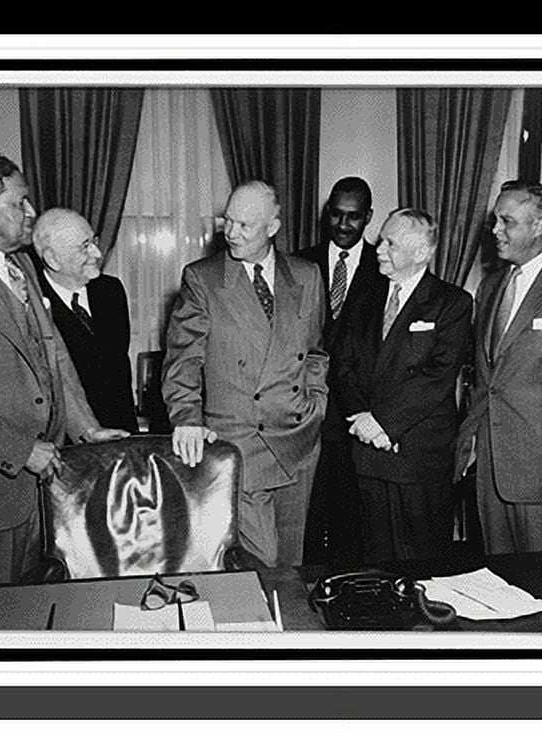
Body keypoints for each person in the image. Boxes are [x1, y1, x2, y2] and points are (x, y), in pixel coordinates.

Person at [0, 153, 128, 589]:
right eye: (20, 203)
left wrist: (86, 428)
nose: (31, 213)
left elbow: (52, 353)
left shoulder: (19, 266)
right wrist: (22, 450)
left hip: (35, 493)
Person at [161, 180, 329, 567]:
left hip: (298, 440)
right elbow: (183, 358)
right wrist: (185, 418)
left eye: (244, 226)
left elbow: (317, 351)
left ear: (272, 227)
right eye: (228, 222)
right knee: (260, 564)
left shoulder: (307, 275)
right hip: (240, 442)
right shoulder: (203, 279)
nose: (231, 234)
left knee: (291, 563)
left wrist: (315, 403)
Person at [454, 181, 542, 554]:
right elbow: (487, 381)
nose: (496, 230)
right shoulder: (489, 288)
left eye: (507, 221)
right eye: (495, 221)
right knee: (499, 586)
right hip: (489, 467)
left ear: (538, 226)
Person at [337, 208, 472, 562]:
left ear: (422, 252)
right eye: (380, 240)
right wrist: (363, 421)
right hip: (366, 453)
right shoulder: (363, 297)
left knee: (423, 566)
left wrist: (383, 422)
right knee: (372, 561)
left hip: (417, 459)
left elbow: (438, 376)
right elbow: (343, 365)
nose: (379, 250)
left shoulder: (452, 303)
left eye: (391, 244)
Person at [296, 176, 380, 564]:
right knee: (304, 529)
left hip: (357, 421)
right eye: (336, 215)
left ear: (368, 218)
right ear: (326, 213)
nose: (344, 226)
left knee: (354, 532)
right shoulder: (299, 263)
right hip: (304, 418)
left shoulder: (384, 269)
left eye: (354, 217)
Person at [32, 208, 138, 434]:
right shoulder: (33, 305)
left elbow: (118, 370)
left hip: (121, 434)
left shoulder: (111, 291)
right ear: (52, 259)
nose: (98, 253)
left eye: (94, 241)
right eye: (85, 246)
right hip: (69, 443)